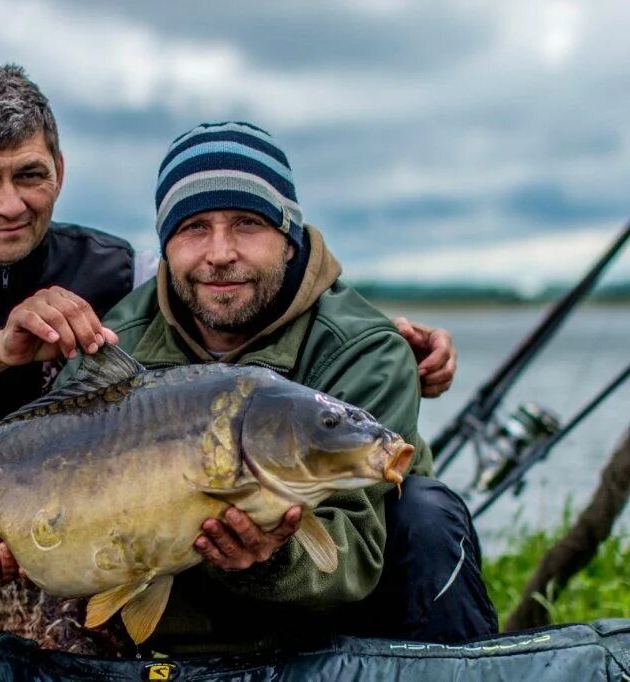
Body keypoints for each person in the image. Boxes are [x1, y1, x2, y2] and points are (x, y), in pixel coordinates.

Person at [0, 67, 461, 653]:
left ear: (60, 172)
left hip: (50, 548)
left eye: (29, 175)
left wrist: (378, 337)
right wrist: (3, 346)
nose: (10, 202)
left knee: (75, 622)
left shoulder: (123, 274)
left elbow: (246, 298)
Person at [90, 121, 496, 650]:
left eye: (247, 224)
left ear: (289, 239)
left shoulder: (365, 350)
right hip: (166, 634)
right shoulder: (116, 343)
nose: (219, 252)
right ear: (166, 246)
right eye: (194, 228)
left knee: (426, 509)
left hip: (332, 636)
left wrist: (273, 558)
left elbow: (357, 550)